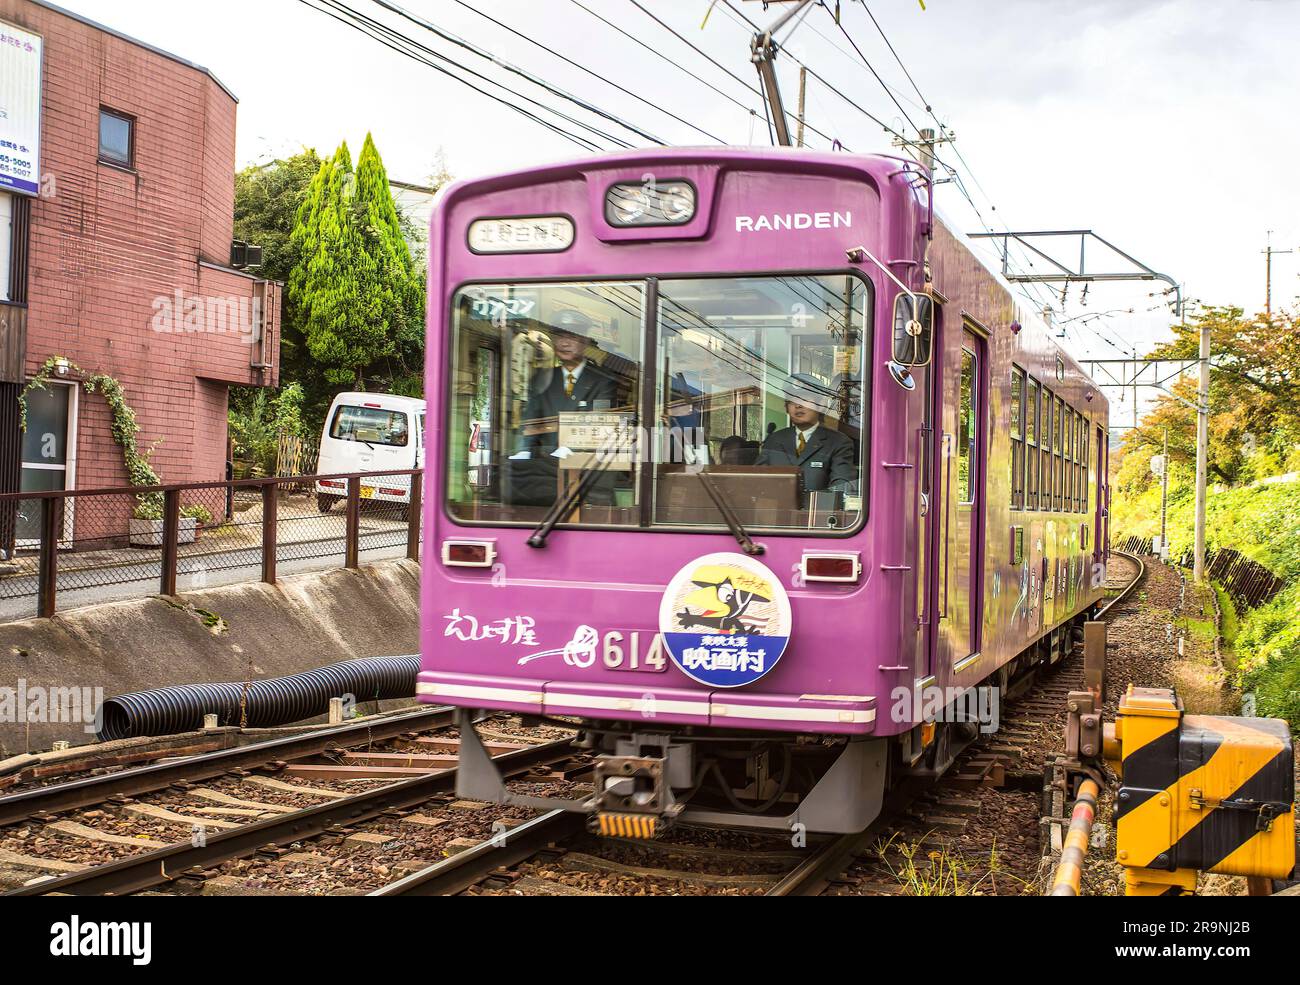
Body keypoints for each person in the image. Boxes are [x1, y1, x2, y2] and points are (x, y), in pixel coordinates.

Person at [514, 308, 618, 457]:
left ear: (585, 341)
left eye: (572, 337)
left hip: (585, 467)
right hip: (544, 467)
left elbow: (599, 423)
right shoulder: (541, 379)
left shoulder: (603, 380)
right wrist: (523, 450)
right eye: (559, 337)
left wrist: (570, 449)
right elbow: (530, 420)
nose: (564, 343)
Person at [755, 373, 856, 493]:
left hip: (816, 510)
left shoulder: (838, 442)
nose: (798, 405)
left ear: (820, 405)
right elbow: (756, 483)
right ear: (786, 408)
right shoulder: (774, 440)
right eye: (792, 400)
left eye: (805, 399)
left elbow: (841, 488)